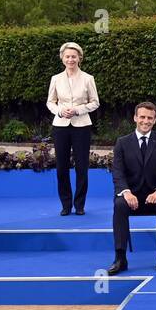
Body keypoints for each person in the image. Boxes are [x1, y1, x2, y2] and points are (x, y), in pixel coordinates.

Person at [108, 102, 156, 275]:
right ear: (135, 118)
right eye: (142, 117)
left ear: (155, 120)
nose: (146, 121)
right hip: (132, 195)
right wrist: (126, 192)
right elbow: (118, 172)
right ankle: (120, 258)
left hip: (155, 194)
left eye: (149, 118)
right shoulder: (122, 143)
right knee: (119, 204)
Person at [47, 41, 100, 216]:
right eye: (67, 56)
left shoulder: (88, 78)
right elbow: (50, 102)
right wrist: (59, 111)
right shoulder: (55, 79)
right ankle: (66, 204)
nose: (70, 59)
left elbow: (95, 102)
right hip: (60, 126)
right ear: (62, 58)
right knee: (61, 166)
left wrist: (78, 110)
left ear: (79, 58)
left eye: (74, 56)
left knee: (81, 166)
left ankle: (79, 205)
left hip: (82, 126)